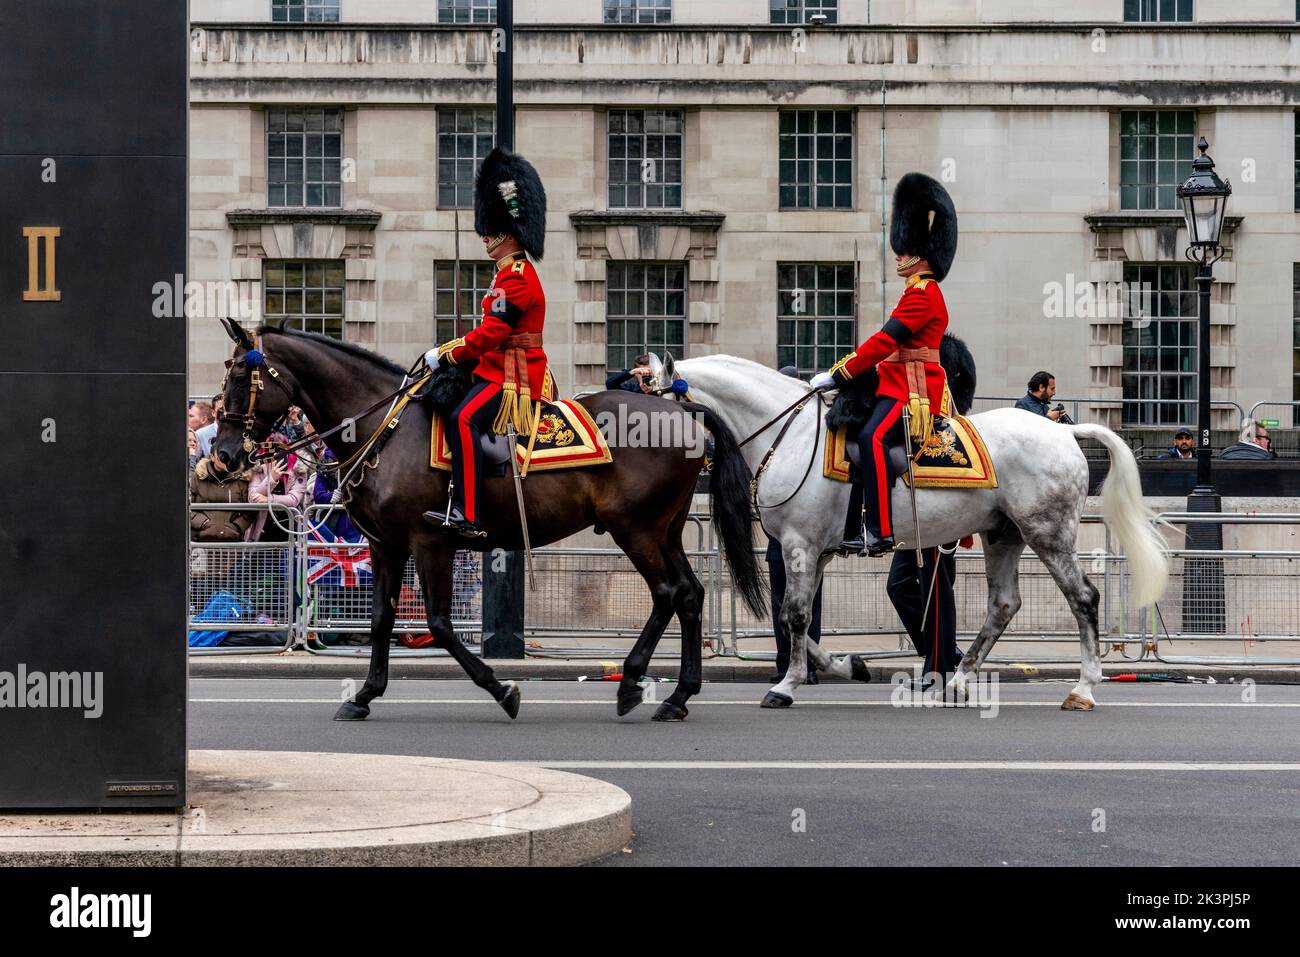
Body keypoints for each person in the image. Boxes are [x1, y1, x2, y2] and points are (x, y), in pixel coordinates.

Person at [810, 172, 958, 557]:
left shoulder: (923, 296)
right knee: (859, 436)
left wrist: (838, 372)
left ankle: (880, 531)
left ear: (920, 254)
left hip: (913, 389)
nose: (897, 255)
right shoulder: (914, 292)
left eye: (903, 249)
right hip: (894, 384)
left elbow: (884, 341)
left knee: (872, 438)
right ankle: (854, 527)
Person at [422, 147, 550, 538]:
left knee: (464, 417)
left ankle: (468, 511)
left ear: (507, 234)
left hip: (513, 375)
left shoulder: (516, 277)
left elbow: (493, 333)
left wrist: (447, 353)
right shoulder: (507, 275)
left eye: (491, 233)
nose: (485, 239)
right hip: (496, 367)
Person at [888, 544, 964, 687]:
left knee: (936, 599)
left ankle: (937, 673)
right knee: (897, 585)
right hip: (913, 528)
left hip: (936, 530)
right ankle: (947, 649)